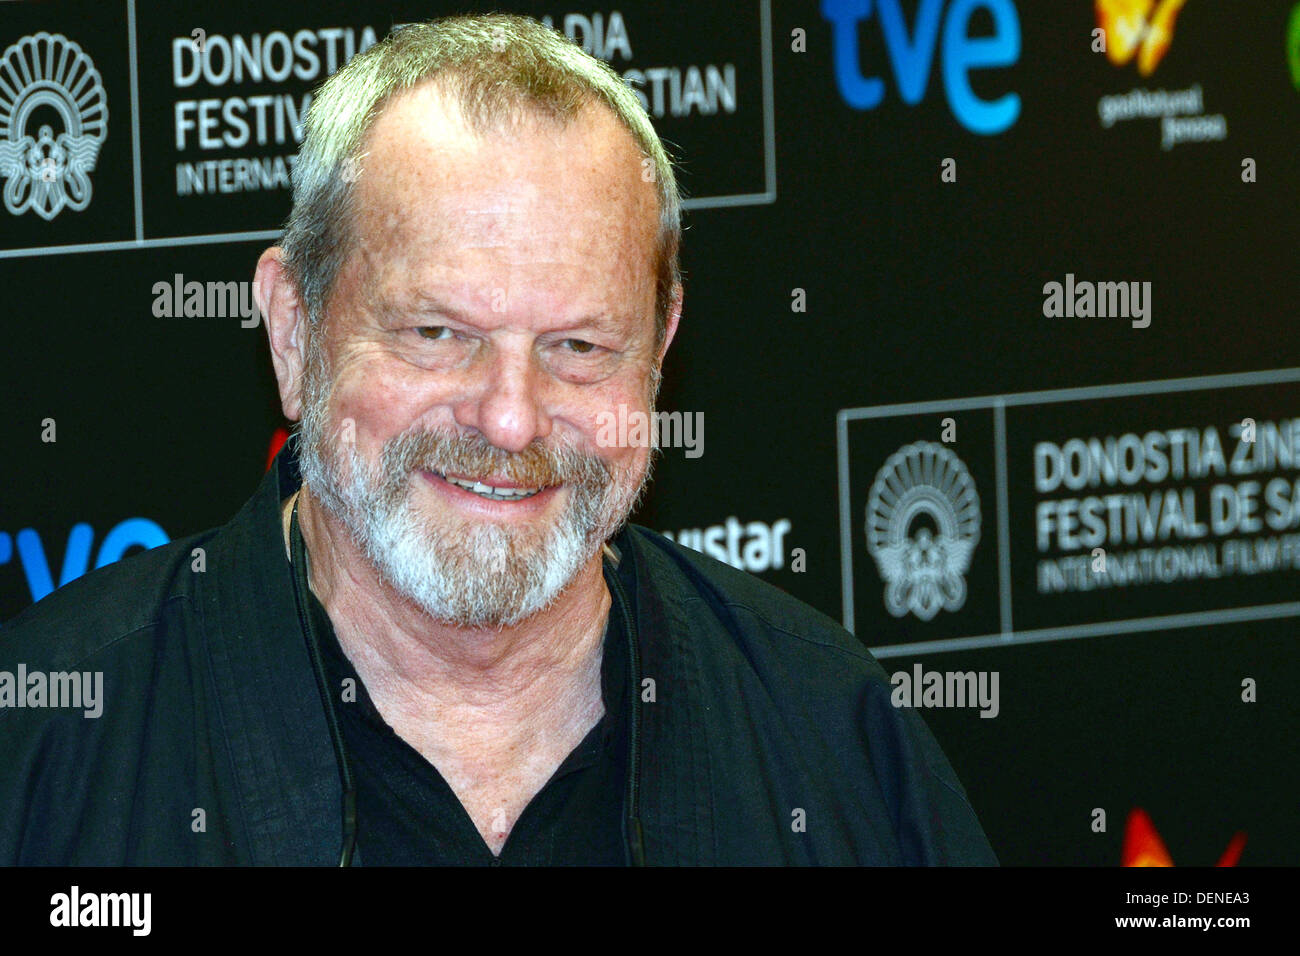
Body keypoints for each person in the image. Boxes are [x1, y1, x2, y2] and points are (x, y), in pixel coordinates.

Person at [0, 14, 996, 866]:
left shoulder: (832, 731)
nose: (510, 417)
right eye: (439, 334)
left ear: (662, 346)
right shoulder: (51, 749)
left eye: (578, 344)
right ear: (294, 331)